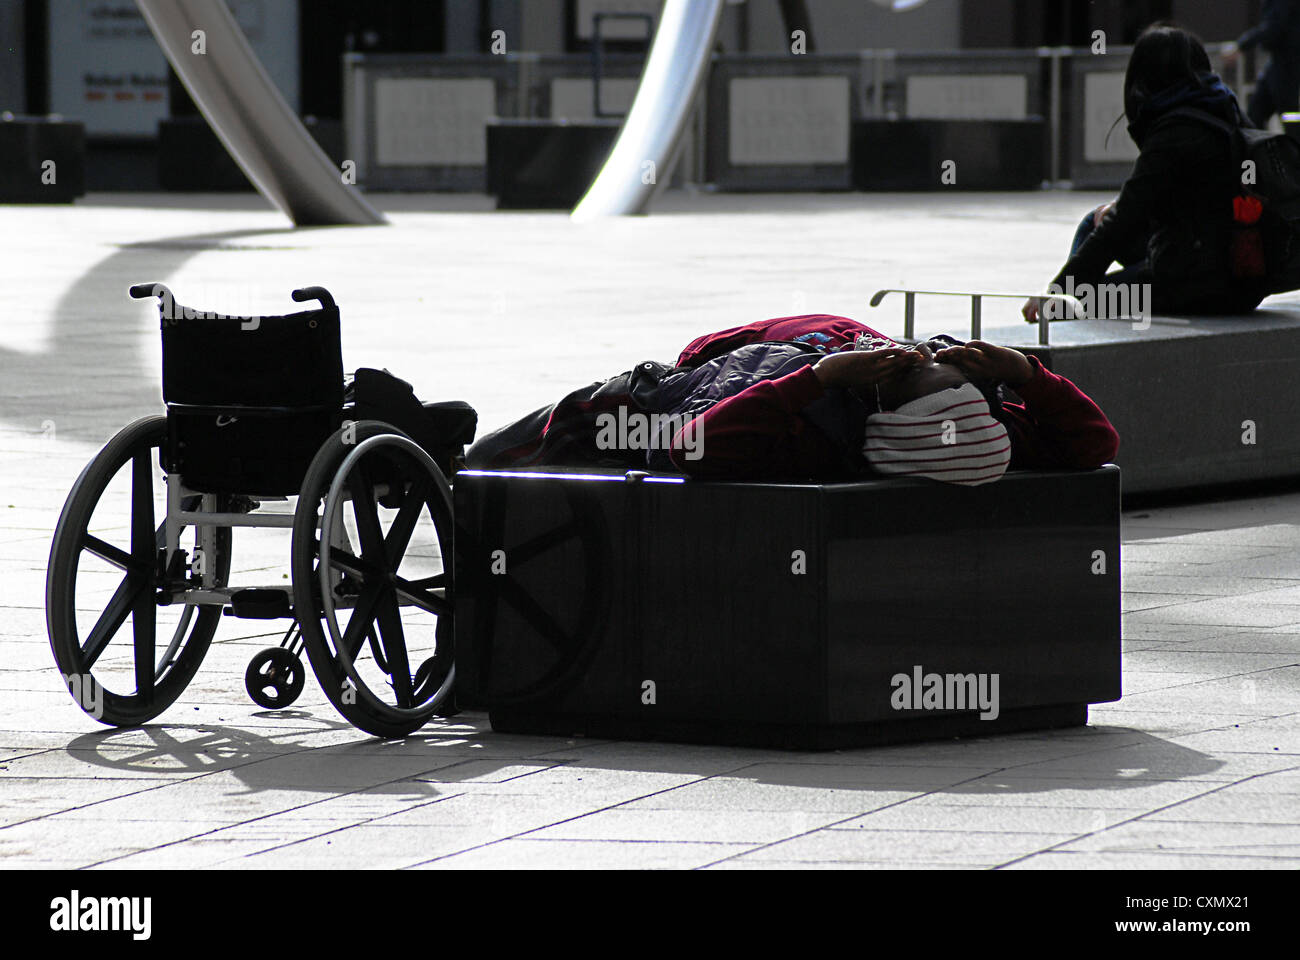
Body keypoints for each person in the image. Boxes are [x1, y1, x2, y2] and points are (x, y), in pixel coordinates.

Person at [466, 313, 1119, 484]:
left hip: (615, 418)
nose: (920, 354)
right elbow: (1097, 444)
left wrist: (824, 377)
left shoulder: (815, 427)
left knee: (477, 471)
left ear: (890, 413)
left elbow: (696, 447)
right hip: (702, 368)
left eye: (914, 371)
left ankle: (431, 463)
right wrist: (1025, 373)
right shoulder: (980, 419)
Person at [1026, 24, 1266, 322]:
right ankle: (1071, 298)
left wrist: (1061, 290)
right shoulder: (1226, 111)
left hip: (1198, 285)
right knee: (1095, 220)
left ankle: (1064, 308)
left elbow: (1125, 220)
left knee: (1074, 301)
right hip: (1242, 277)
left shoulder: (1176, 131)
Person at [1224, 0, 1300, 129]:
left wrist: (1242, 44)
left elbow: (1274, 27)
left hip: (1286, 64)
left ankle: (1293, 143)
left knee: (1287, 114)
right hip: (1281, 62)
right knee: (1258, 113)